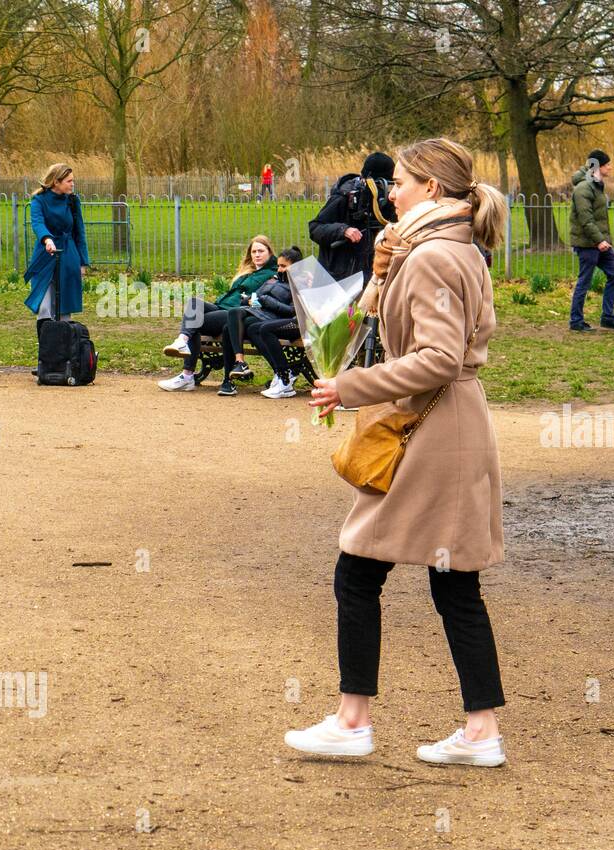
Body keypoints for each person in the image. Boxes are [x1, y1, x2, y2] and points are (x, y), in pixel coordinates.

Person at [287, 137, 510, 767]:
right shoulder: (442, 248)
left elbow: (437, 359)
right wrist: (383, 273)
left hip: (435, 432)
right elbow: (400, 332)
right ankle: (479, 732)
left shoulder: (437, 255)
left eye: (402, 182)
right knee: (451, 585)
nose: (392, 191)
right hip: (449, 427)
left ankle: (354, 721)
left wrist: (348, 386)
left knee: (358, 568)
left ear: (432, 190)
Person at [157, 236, 276, 392]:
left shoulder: (272, 274)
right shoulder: (249, 272)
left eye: (261, 251)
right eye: (254, 251)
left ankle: (187, 375)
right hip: (221, 307)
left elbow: (262, 299)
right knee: (194, 303)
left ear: (269, 253)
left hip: (237, 315)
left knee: (194, 321)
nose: (257, 255)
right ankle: (182, 341)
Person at [214, 245, 304, 398]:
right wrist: (250, 300)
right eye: (279, 266)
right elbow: (256, 296)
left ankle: (280, 374)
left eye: (284, 266)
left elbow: (291, 310)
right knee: (232, 324)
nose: (280, 269)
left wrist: (264, 300)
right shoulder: (273, 280)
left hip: (281, 320)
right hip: (259, 314)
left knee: (243, 323)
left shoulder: (299, 283)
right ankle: (233, 374)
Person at [308, 151, 397, 285]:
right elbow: (315, 227)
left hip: (371, 275)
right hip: (338, 279)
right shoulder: (344, 196)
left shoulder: (388, 201)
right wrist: (343, 230)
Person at [24, 164, 90, 328]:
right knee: (44, 307)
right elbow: (38, 223)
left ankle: (64, 348)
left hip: (69, 256)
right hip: (45, 256)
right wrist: (47, 240)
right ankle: (46, 348)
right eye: (69, 181)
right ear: (56, 182)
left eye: (72, 180)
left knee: (64, 308)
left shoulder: (73, 201)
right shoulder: (38, 201)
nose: (72, 184)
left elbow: (79, 232)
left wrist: (82, 262)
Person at [568, 149, 614, 332]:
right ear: (599, 166)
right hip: (588, 244)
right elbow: (586, 219)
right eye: (608, 164)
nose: (611, 167)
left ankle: (607, 317)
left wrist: (603, 241)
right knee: (584, 281)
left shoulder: (597, 184)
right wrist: (599, 240)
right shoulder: (584, 188)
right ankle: (576, 321)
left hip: (601, 243)